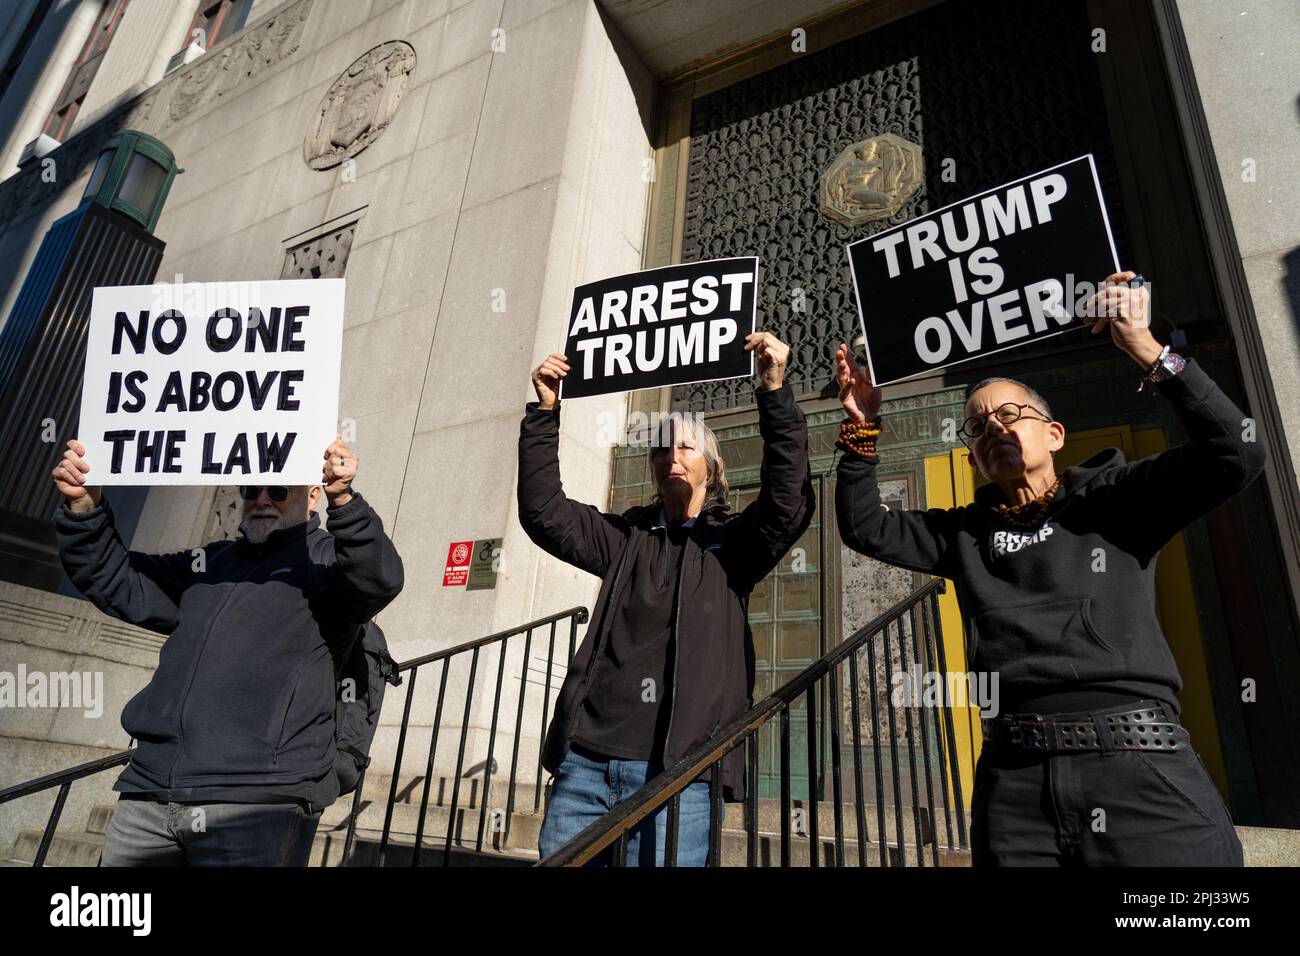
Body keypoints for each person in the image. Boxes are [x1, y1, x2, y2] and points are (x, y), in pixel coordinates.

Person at [832, 271, 1264, 866]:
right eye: (979, 428)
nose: (995, 428)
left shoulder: (1116, 498)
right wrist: (861, 427)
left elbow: (1235, 452)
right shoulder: (964, 533)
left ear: (1054, 433)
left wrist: (1146, 348)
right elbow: (866, 527)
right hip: (1015, 787)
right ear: (975, 458)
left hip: (1137, 769)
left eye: (1010, 413)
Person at [519, 331, 815, 866]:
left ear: (711, 465)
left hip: (681, 777)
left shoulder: (733, 547)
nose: (671, 456)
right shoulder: (625, 539)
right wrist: (544, 412)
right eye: (661, 447)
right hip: (586, 769)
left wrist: (773, 391)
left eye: (685, 446)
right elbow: (545, 513)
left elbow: (788, 502)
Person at [51, 435, 404, 866]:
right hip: (150, 793)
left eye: (278, 490)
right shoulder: (209, 562)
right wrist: (84, 507)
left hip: (256, 803)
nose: (261, 499)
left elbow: (379, 578)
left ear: (311, 496)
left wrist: (344, 500)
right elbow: (119, 581)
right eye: (251, 490)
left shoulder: (328, 563)